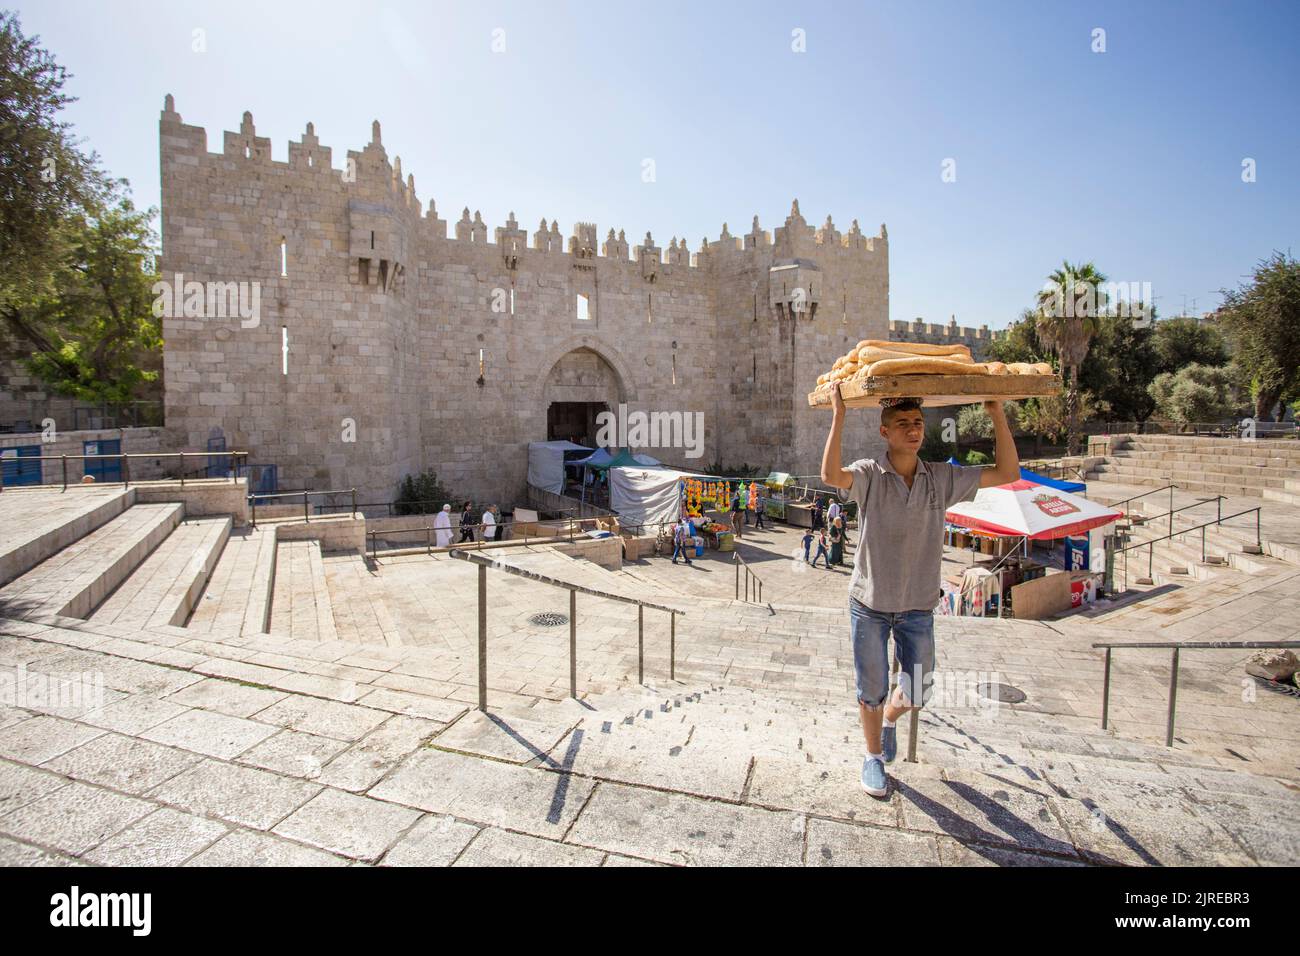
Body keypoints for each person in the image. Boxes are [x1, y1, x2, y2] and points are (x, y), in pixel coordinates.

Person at [821, 392, 1018, 798]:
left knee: (919, 688)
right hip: (870, 603)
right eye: (904, 424)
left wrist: (997, 415)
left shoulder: (941, 478)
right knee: (871, 687)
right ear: (885, 432)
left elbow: (1007, 472)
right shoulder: (870, 474)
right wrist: (838, 416)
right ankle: (873, 757)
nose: (914, 430)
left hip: (917, 606)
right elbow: (831, 477)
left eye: (918, 423)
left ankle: (891, 719)